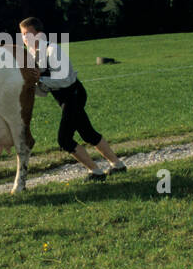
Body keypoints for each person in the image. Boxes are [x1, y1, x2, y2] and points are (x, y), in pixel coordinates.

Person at [18, 17, 126, 181]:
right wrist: (29, 84)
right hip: (64, 99)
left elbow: (65, 80)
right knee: (88, 134)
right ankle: (118, 165)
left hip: (73, 94)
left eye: (28, 34)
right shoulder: (32, 56)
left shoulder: (53, 50)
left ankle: (96, 172)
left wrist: (39, 80)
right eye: (22, 34)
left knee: (64, 139)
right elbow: (43, 91)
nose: (25, 38)